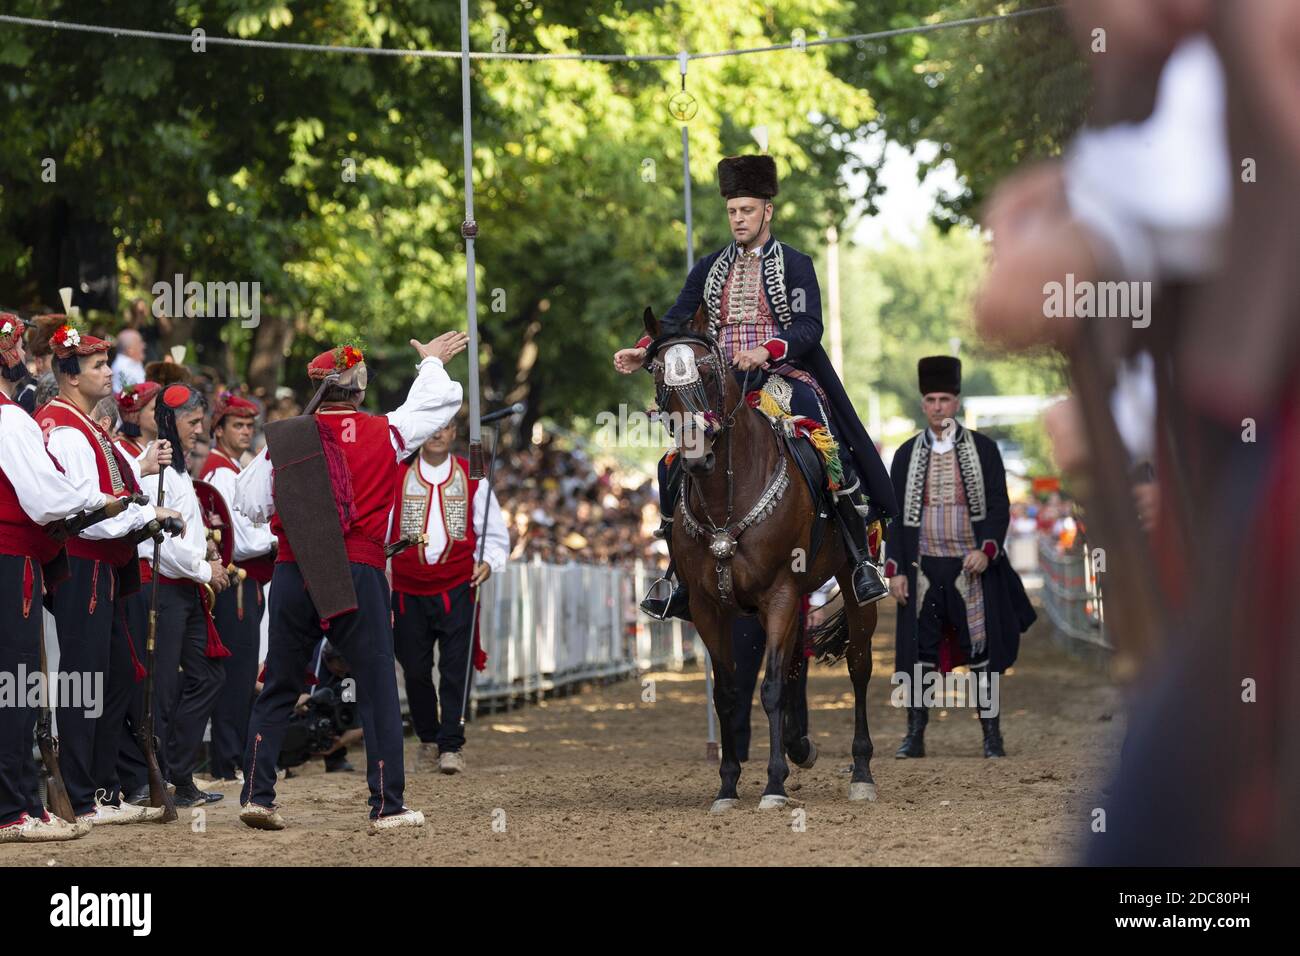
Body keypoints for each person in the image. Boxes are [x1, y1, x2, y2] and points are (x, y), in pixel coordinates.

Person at [613, 155, 896, 618]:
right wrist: (644, 350)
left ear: (767, 211)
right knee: (675, 456)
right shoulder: (708, 268)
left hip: (782, 377)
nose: (738, 219)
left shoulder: (795, 264)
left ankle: (859, 556)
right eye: (732, 211)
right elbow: (676, 321)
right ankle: (676, 574)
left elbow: (809, 326)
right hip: (721, 385)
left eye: (747, 210)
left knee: (825, 441)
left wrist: (768, 350)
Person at [233, 333, 467, 833]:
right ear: (358, 389)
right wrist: (429, 362)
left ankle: (257, 793)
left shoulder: (286, 438)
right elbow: (443, 400)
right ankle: (386, 804)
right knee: (378, 688)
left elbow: (249, 502)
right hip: (357, 571)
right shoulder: (387, 431)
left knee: (279, 685)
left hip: (295, 572)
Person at [32, 315, 181, 826]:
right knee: (85, 679)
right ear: (71, 374)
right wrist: (147, 514)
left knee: (115, 675)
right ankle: (78, 792)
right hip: (86, 563)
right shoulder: (66, 428)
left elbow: (118, 484)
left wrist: (144, 490)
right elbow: (88, 511)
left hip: (106, 565)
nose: (108, 373)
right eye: (98, 365)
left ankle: (100, 788)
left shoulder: (87, 424)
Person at [884, 357, 1036, 759]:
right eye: (931, 399)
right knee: (920, 653)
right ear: (923, 405)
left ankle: (991, 736)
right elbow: (894, 518)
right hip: (922, 569)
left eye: (945, 399)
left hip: (970, 568)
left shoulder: (984, 451)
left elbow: (1000, 507)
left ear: (957, 402)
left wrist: (986, 550)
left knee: (981, 652)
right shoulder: (904, 455)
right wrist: (895, 569)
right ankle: (915, 735)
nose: (938, 406)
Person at [0, 314, 113, 843]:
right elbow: (45, 496)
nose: (28, 355)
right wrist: (99, 501)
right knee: (16, 684)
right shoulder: (11, 419)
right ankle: (15, 807)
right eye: (20, 345)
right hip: (11, 557)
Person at [391, 420, 509, 774]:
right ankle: (428, 738)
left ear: (454, 432)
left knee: (456, 668)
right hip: (407, 588)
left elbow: (493, 531)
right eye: (432, 427)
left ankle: (451, 745)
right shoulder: (397, 474)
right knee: (414, 669)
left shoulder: (473, 476)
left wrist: (488, 561)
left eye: (445, 427)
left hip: (458, 586)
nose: (438, 434)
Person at [141, 384, 231, 807]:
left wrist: (205, 551)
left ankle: (178, 771)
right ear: (168, 422)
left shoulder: (177, 470)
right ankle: (157, 777)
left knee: (209, 676)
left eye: (201, 421)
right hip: (165, 588)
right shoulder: (157, 469)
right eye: (192, 422)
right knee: (160, 687)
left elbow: (183, 533)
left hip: (186, 588)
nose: (200, 429)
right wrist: (204, 569)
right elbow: (162, 541)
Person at [199, 390, 276, 783]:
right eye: (237, 425)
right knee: (237, 672)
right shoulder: (222, 473)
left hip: (248, 580)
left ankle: (236, 756)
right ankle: (228, 759)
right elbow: (240, 539)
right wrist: (278, 539)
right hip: (237, 580)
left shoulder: (231, 468)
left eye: (249, 425)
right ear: (219, 428)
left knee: (245, 672)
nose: (245, 432)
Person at [111, 329, 146, 393]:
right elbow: (134, 397)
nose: (144, 346)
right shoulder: (122, 367)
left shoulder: (134, 361)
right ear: (130, 349)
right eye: (140, 343)